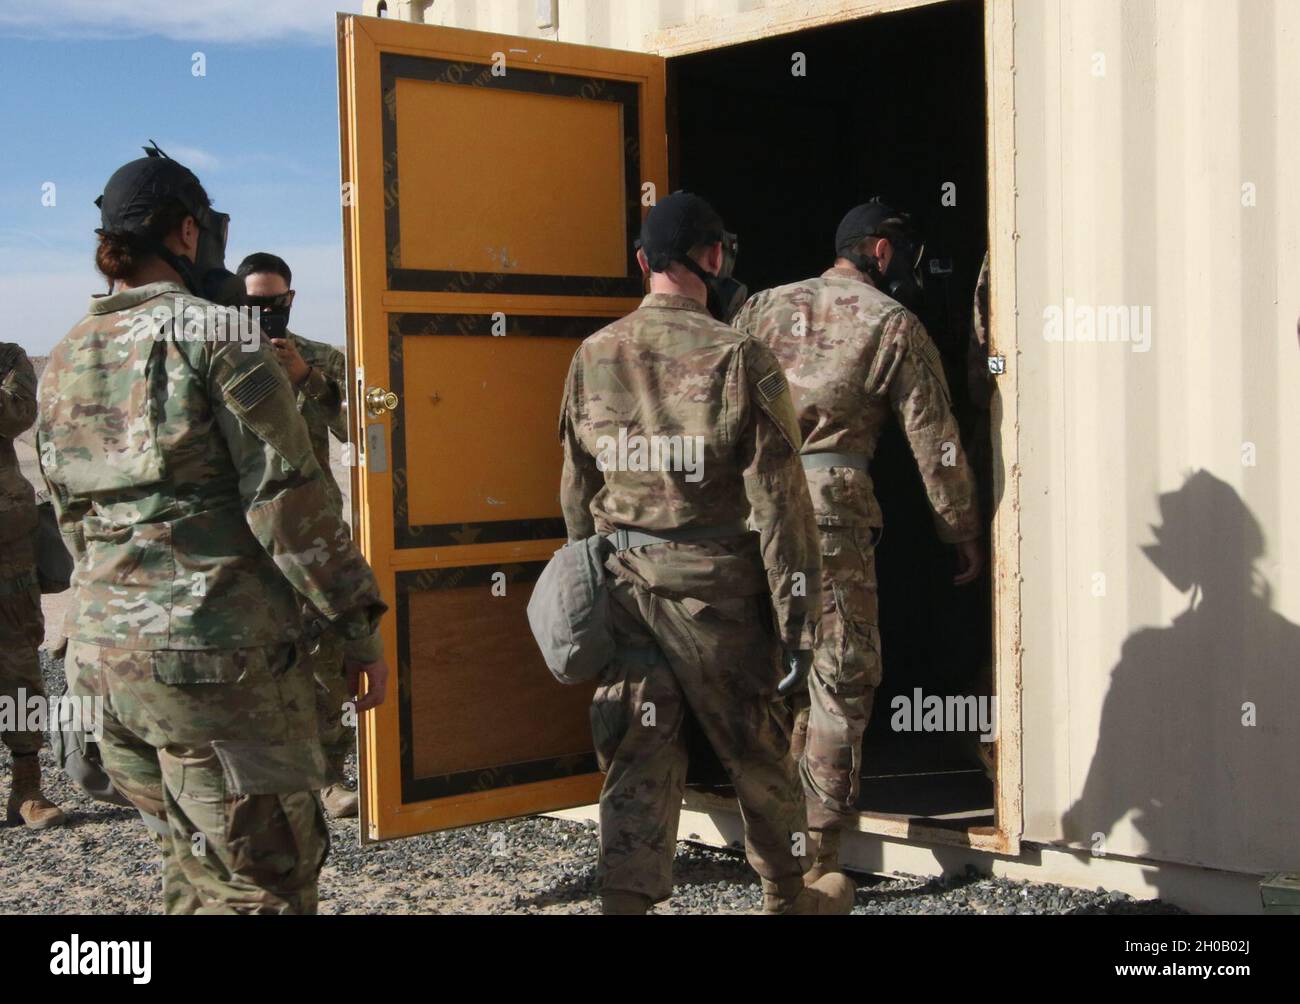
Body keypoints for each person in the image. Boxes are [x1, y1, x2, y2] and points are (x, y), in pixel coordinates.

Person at [36, 150, 388, 914]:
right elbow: (287, 497)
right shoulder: (217, 334)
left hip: (107, 673)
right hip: (212, 673)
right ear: (188, 233)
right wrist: (358, 628)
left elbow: (72, 521)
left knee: (192, 874)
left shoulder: (61, 358)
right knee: (263, 887)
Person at [559, 191, 853, 915]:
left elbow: (575, 487)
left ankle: (626, 903)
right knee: (758, 755)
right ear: (714, 258)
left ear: (642, 262)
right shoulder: (740, 356)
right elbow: (781, 501)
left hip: (625, 588)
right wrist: (798, 620)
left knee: (636, 755)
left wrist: (586, 581)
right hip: (717, 596)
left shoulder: (592, 354)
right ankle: (789, 896)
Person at [733, 198, 984, 881]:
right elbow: (936, 439)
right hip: (832, 515)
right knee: (841, 676)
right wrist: (959, 526)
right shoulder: (893, 322)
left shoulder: (758, 309)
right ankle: (816, 859)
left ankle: (770, 846)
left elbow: (717, 404)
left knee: (772, 674)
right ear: (882, 252)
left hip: (753, 513)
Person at [237, 252, 357, 819]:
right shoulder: (217, 359)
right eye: (253, 302)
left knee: (323, 652)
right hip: (242, 534)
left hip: (312, 527)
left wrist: (306, 379)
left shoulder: (318, 357)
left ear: (290, 300)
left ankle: (331, 775)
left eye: (273, 302)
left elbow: (371, 418)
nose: (264, 312)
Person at [0, 341, 66, 829]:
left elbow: (15, 414)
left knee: (18, 660)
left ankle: (27, 785)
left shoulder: (8, 358)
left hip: (7, 546)